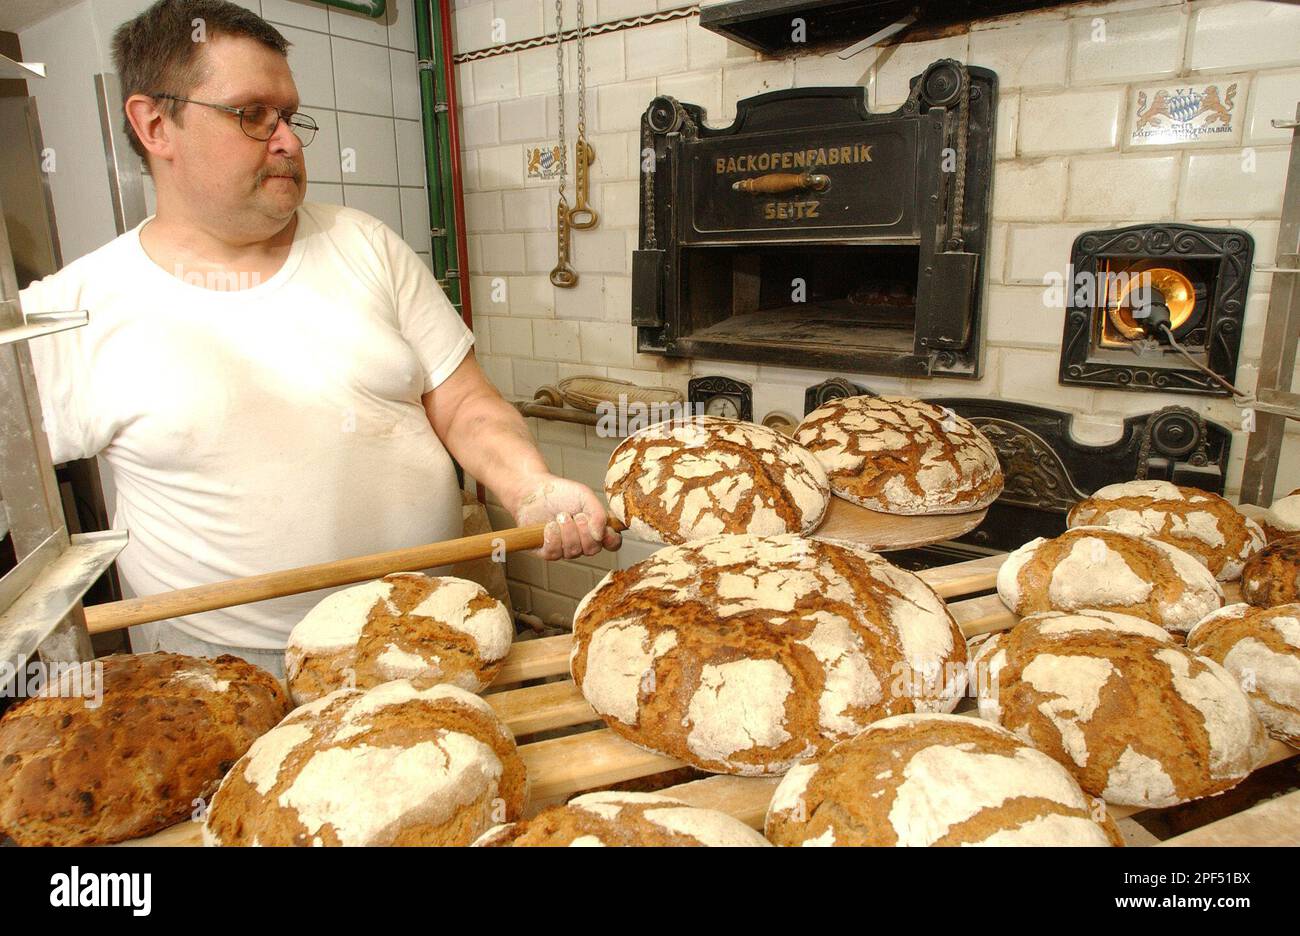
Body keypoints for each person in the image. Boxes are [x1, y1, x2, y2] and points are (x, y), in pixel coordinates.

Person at [19, 0, 619, 677]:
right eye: (251, 115)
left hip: (432, 635)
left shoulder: (364, 243)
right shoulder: (68, 314)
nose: (289, 141)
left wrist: (530, 486)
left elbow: (463, 404)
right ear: (156, 123)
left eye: (289, 115)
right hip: (237, 682)